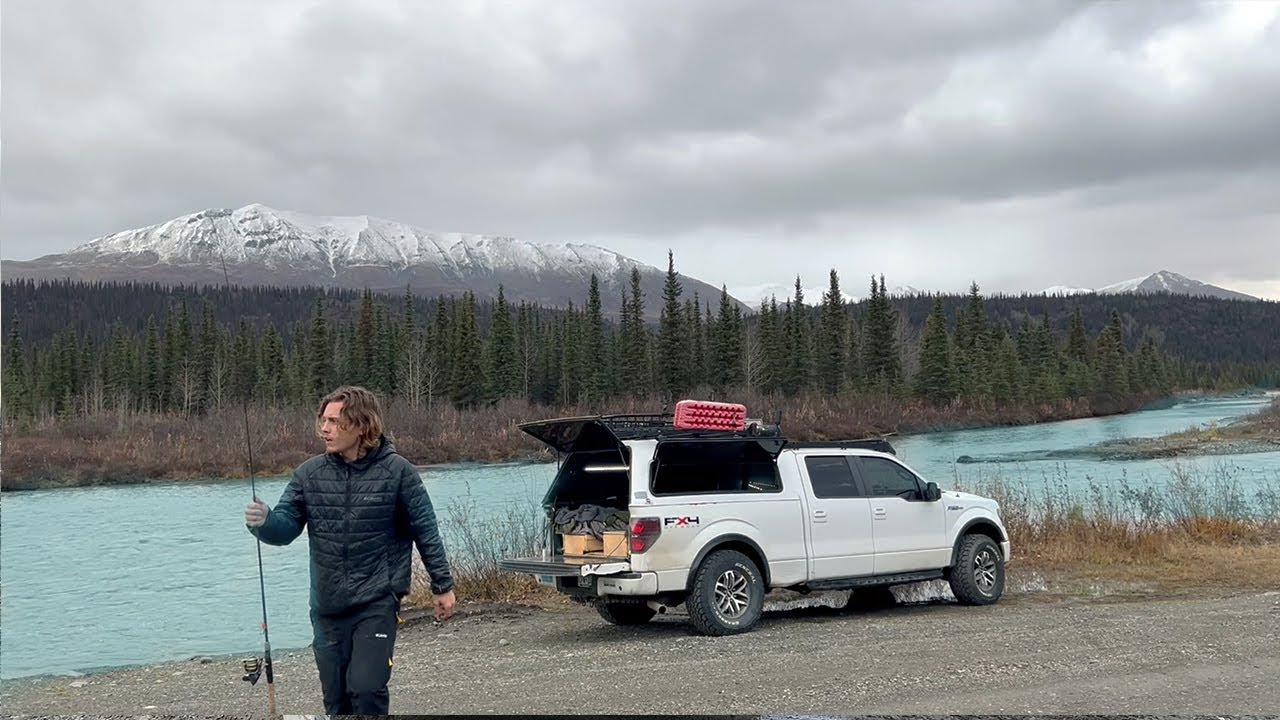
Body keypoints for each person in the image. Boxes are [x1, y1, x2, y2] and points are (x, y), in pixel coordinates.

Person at [244, 385, 455, 715]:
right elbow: (285, 527)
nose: (325, 429)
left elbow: (425, 530)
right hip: (326, 607)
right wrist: (264, 522)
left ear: (361, 425)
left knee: (367, 689)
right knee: (338, 702)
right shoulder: (309, 474)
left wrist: (442, 586)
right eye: (323, 421)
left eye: (334, 421)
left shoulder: (398, 472)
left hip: (376, 600)